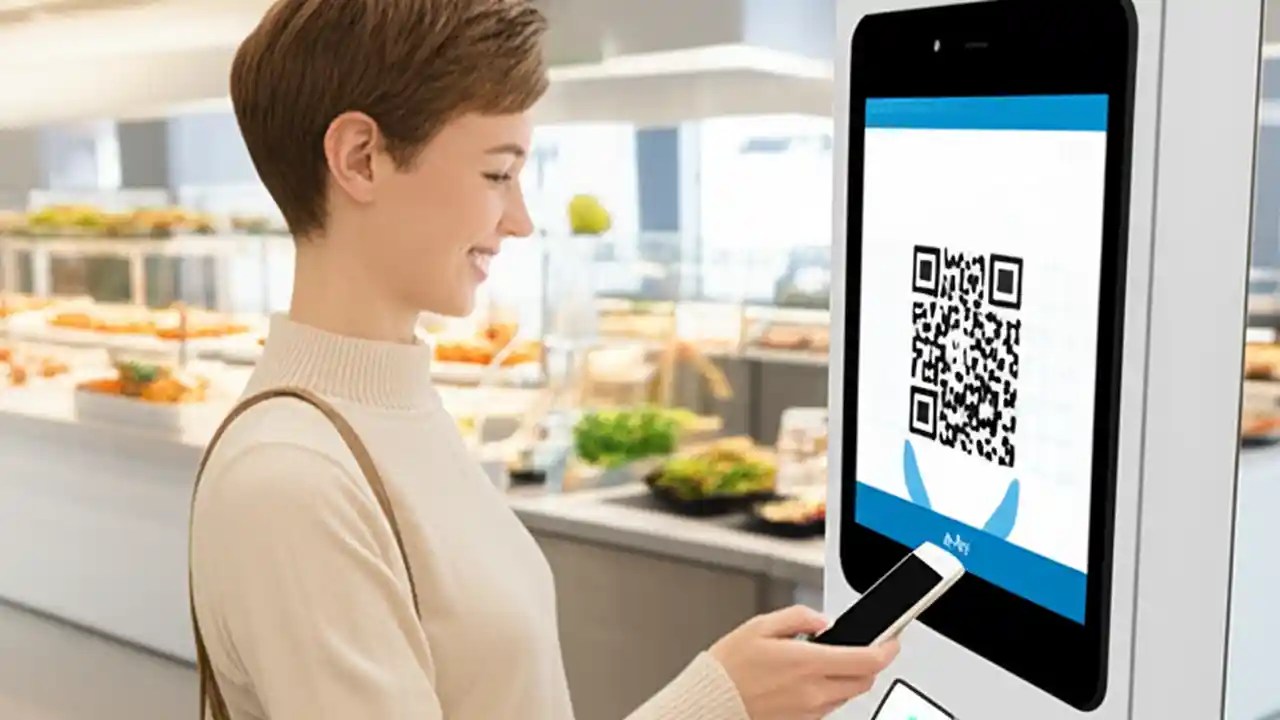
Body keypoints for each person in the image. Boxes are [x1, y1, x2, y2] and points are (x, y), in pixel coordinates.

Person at [188, 1, 900, 718]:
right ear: (360, 158)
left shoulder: (393, 411)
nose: (520, 220)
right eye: (498, 174)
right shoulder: (289, 480)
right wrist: (720, 700)